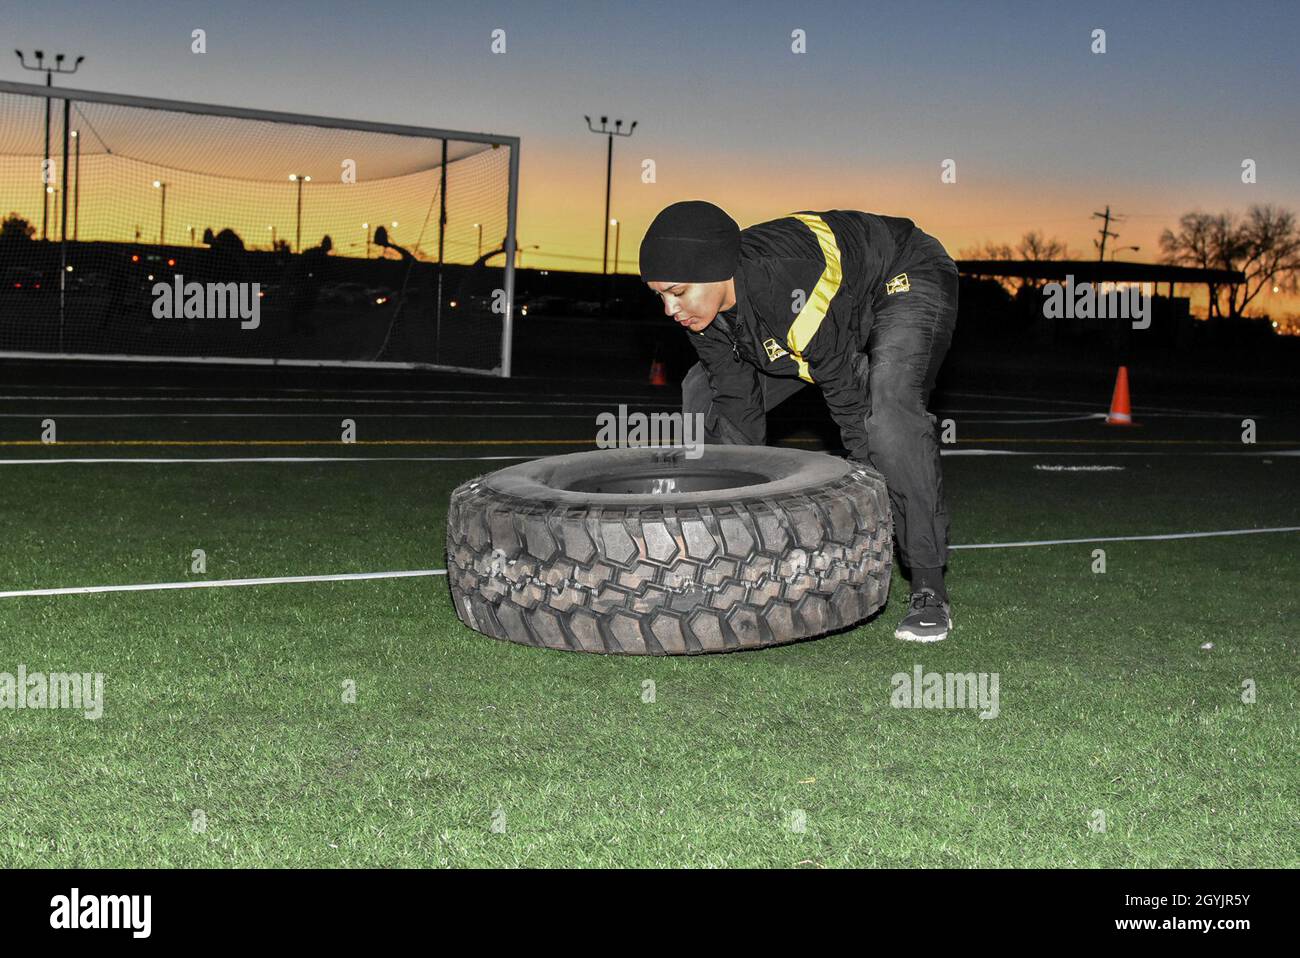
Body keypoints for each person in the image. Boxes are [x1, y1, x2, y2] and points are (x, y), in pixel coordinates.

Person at [640, 200, 958, 642]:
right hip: (821, 312)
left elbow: (847, 401)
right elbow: (737, 402)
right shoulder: (708, 315)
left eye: (677, 291)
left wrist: (873, 511)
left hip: (903, 271)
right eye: (660, 295)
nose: (670, 308)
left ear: (714, 270)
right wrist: (731, 512)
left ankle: (927, 585)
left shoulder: (786, 287)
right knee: (702, 390)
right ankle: (726, 544)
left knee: (886, 418)